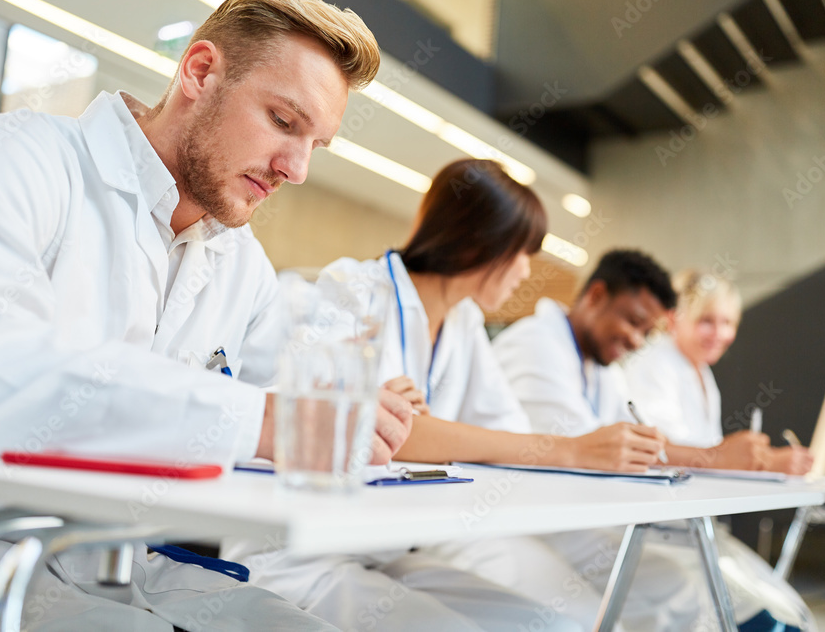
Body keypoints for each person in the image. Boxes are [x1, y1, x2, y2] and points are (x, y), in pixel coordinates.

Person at [0, 0, 412, 631]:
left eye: (316, 144)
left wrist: (356, 409)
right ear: (200, 72)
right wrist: (273, 421)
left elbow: (278, 390)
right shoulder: (12, 162)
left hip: (138, 566)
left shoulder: (239, 263)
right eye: (283, 121)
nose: (297, 168)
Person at [224, 159, 666, 631]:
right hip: (303, 555)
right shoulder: (353, 288)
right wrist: (571, 449)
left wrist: (431, 430)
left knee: (557, 624)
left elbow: (508, 434)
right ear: (479, 241)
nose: (524, 272)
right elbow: (384, 433)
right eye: (521, 254)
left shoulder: (464, 322)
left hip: (386, 549)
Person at [493, 255, 815, 630]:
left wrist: (721, 456)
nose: (636, 341)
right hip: (519, 521)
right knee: (589, 615)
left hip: (575, 516)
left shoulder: (602, 366)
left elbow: (634, 439)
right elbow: (593, 450)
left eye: (646, 332)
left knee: (710, 588)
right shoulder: (536, 344)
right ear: (596, 295)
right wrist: (714, 457)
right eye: (632, 321)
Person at [624, 269, 814, 475]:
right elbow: (656, 454)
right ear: (672, 318)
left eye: (727, 323)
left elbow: (704, 450)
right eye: (706, 321)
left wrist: (757, 458)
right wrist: (760, 461)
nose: (719, 334)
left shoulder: (700, 368)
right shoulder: (654, 362)